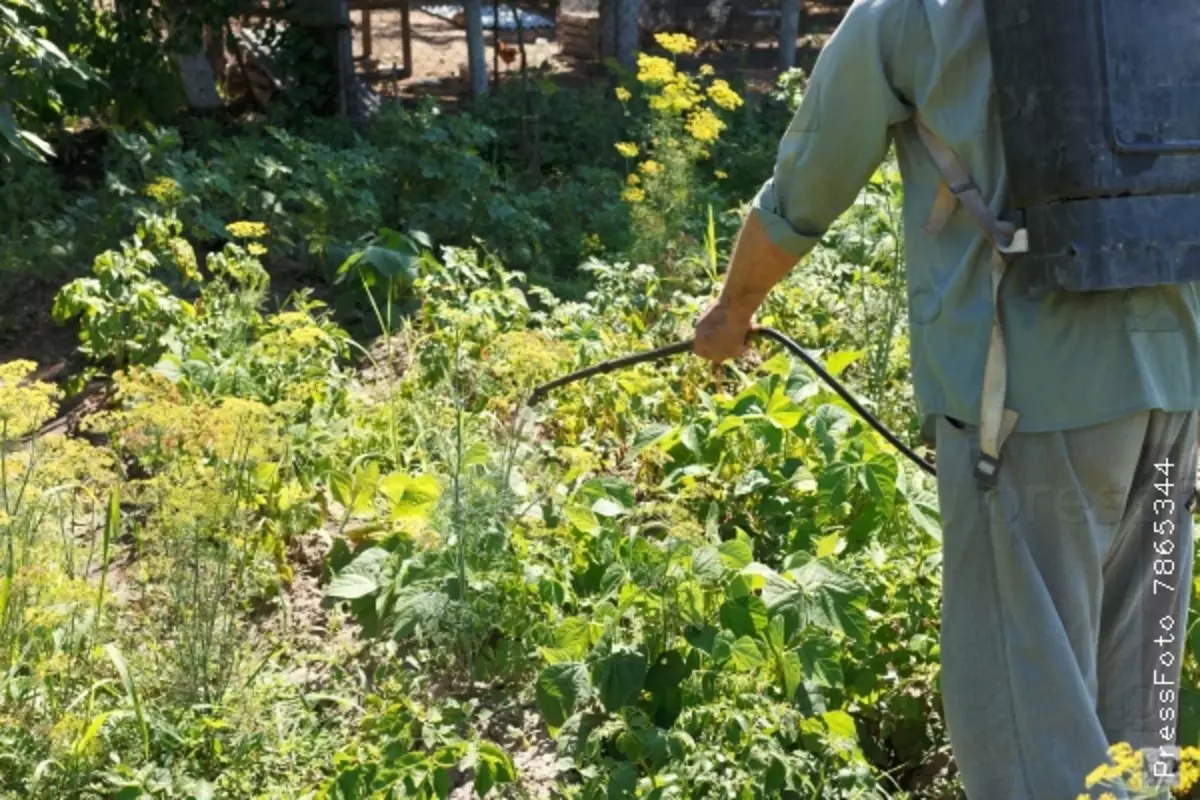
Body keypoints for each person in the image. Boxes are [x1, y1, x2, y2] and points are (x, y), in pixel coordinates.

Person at [691, 1, 1200, 798]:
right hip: (1176, 397)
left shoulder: (912, 13)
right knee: (1136, 716)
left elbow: (805, 186)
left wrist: (733, 309)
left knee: (1028, 726)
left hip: (1027, 405)